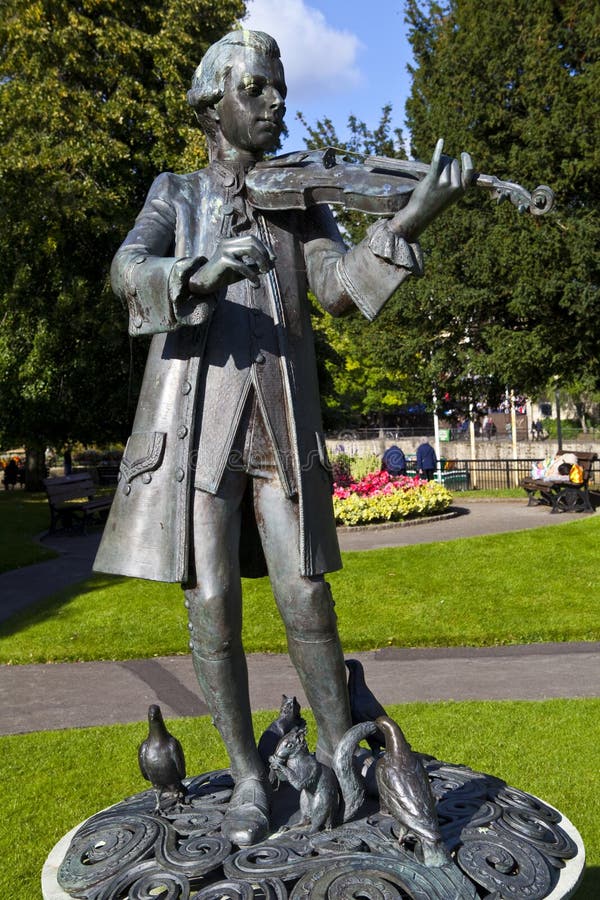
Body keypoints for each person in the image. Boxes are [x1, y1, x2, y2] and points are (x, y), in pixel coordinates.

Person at [94, 29, 472, 847]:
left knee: (306, 598)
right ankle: (247, 779)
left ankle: (341, 762)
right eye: (257, 89)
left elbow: (338, 287)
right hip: (200, 436)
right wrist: (198, 272)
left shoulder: (300, 198)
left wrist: (414, 213)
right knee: (214, 607)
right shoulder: (177, 192)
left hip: (279, 425)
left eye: (279, 88)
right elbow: (129, 269)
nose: (276, 102)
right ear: (214, 104)